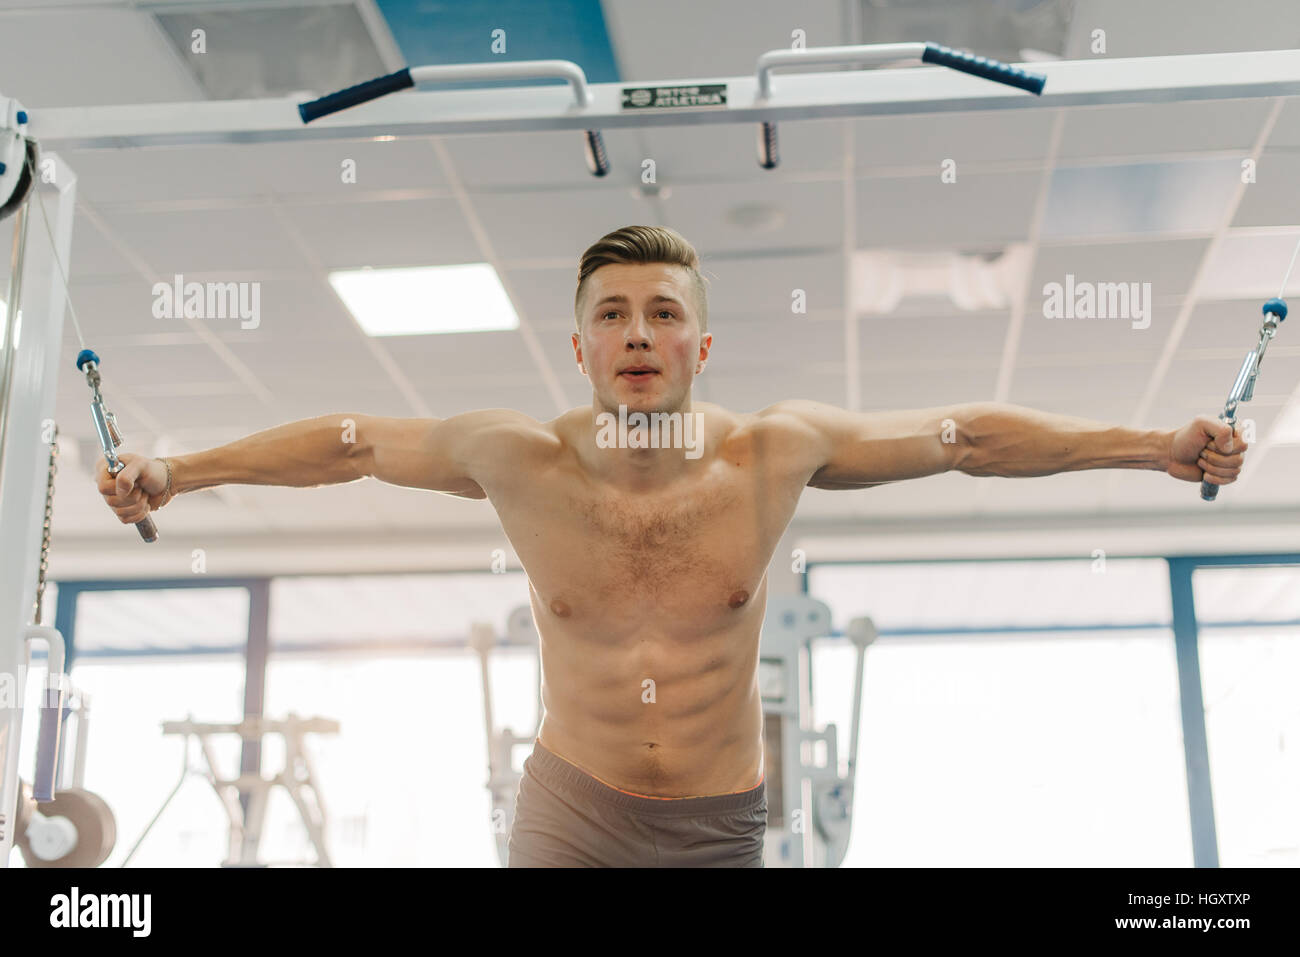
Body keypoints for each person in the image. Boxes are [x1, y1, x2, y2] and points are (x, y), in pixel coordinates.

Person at [96, 225, 1248, 867]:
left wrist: (1149, 446)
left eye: (660, 313)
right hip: (567, 812)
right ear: (579, 349)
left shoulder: (776, 452)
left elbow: (964, 439)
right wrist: (178, 471)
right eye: (611, 314)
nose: (636, 332)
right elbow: (347, 443)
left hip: (717, 823)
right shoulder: (512, 457)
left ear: (702, 346)